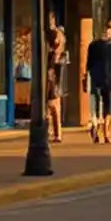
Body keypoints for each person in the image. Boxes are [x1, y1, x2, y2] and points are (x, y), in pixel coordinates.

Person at [85, 19, 111, 144]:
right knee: (99, 108)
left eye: (109, 30)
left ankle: (105, 133)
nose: (107, 32)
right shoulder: (94, 46)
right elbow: (88, 64)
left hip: (110, 80)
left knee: (108, 108)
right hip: (99, 80)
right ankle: (99, 131)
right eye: (106, 29)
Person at [46, 14, 66, 144]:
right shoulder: (48, 33)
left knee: (53, 103)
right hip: (48, 71)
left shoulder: (56, 34)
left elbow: (57, 52)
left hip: (53, 72)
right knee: (48, 105)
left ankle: (57, 133)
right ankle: (49, 132)